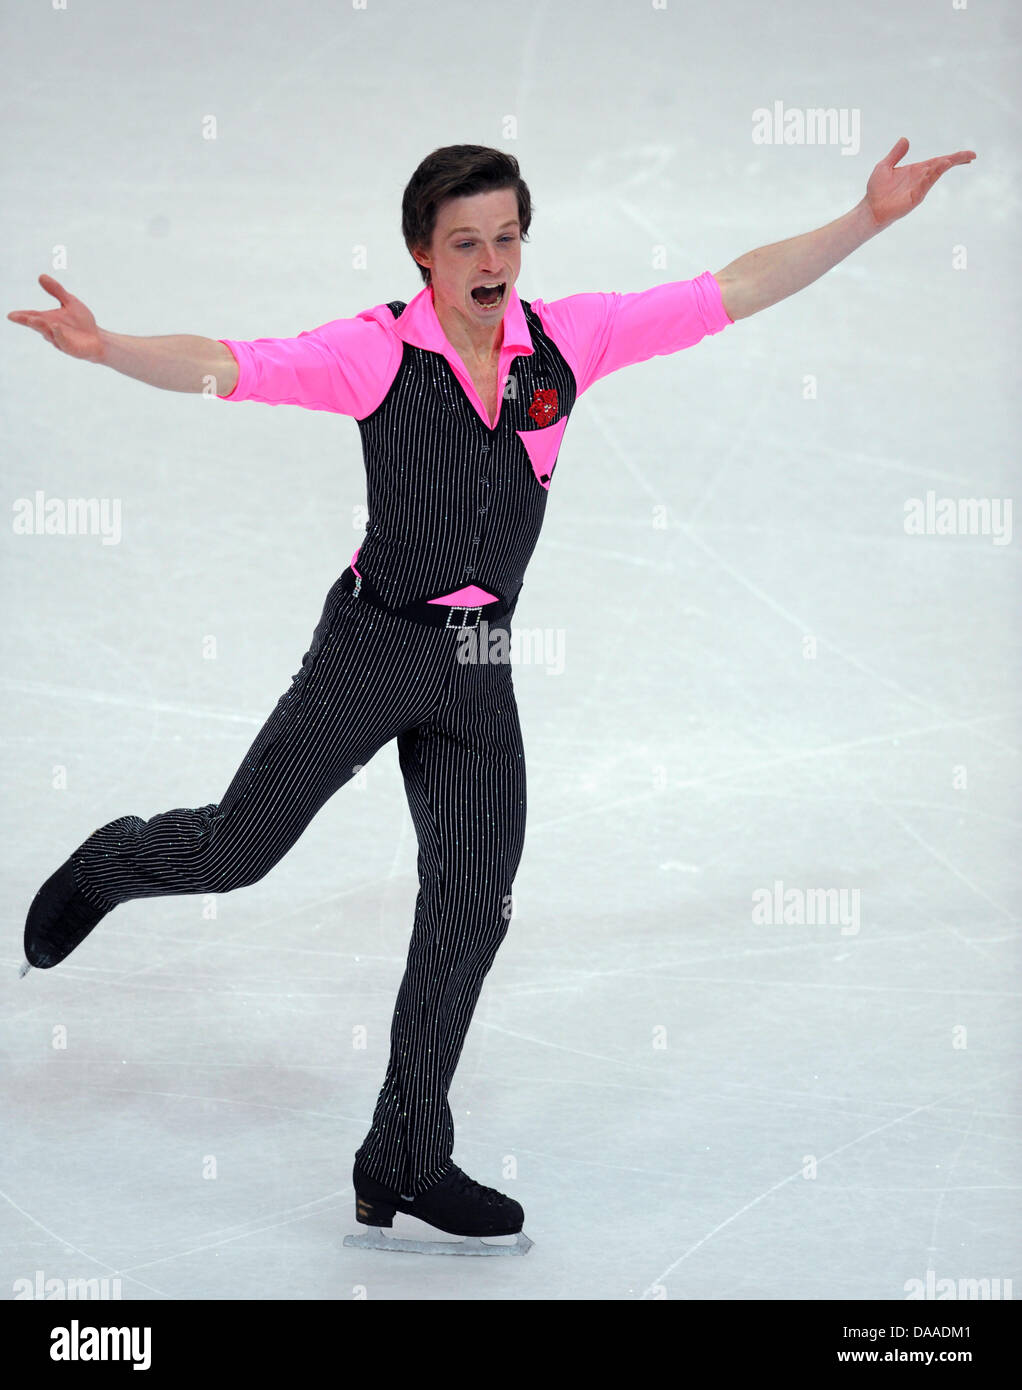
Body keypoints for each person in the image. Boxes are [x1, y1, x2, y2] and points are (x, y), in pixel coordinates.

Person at [8, 138, 975, 1255]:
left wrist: (864, 219)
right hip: (370, 648)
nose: (491, 259)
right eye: (465, 241)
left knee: (472, 904)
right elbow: (230, 362)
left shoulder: (564, 342)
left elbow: (730, 288)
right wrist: (107, 347)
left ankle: (401, 1153)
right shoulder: (372, 353)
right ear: (422, 252)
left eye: (507, 236)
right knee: (236, 850)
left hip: (476, 663)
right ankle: (107, 863)